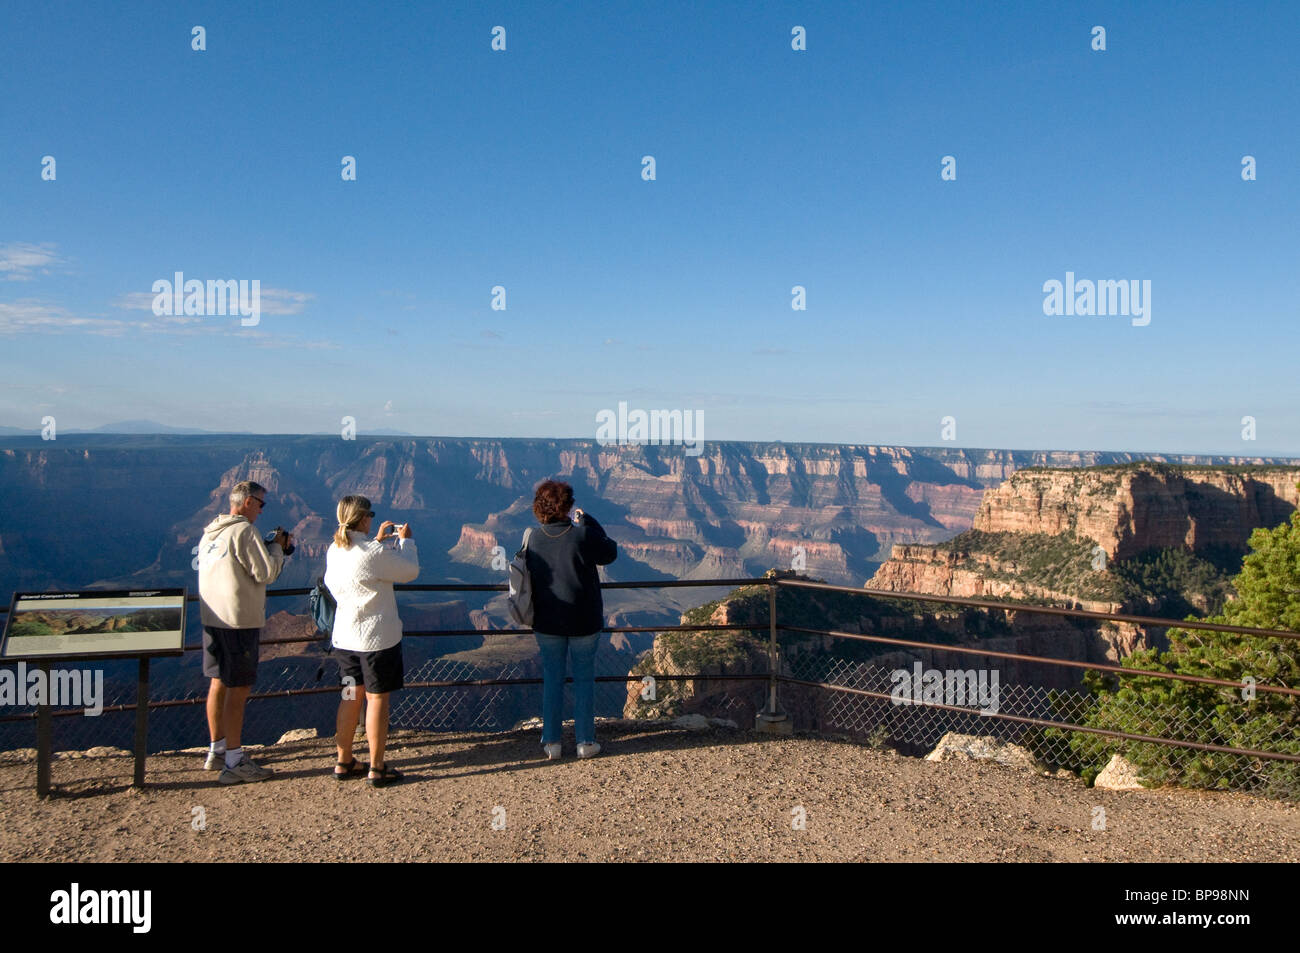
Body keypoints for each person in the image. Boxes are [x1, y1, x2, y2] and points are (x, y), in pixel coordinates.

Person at [197, 480, 292, 784]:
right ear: (248, 501)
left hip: (212, 619)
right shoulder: (243, 531)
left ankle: (217, 751)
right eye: (261, 504)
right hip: (238, 622)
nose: (261, 511)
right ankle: (235, 762)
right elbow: (266, 572)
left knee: (218, 683)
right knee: (238, 689)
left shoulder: (212, 532)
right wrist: (277, 547)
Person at [324, 494, 419, 787]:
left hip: (345, 638)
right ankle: (377, 768)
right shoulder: (371, 553)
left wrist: (376, 541)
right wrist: (406, 542)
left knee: (349, 697)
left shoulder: (335, 549)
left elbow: (361, 565)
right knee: (376, 699)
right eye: (371, 515)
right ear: (364, 518)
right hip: (376, 640)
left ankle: (344, 761)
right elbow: (410, 571)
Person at [525, 479, 617, 760]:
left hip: (547, 621)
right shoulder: (583, 536)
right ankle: (585, 742)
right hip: (583, 621)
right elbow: (610, 552)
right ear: (567, 506)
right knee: (584, 680)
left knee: (553, 679)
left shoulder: (533, 538)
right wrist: (589, 521)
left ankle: (552, 743)